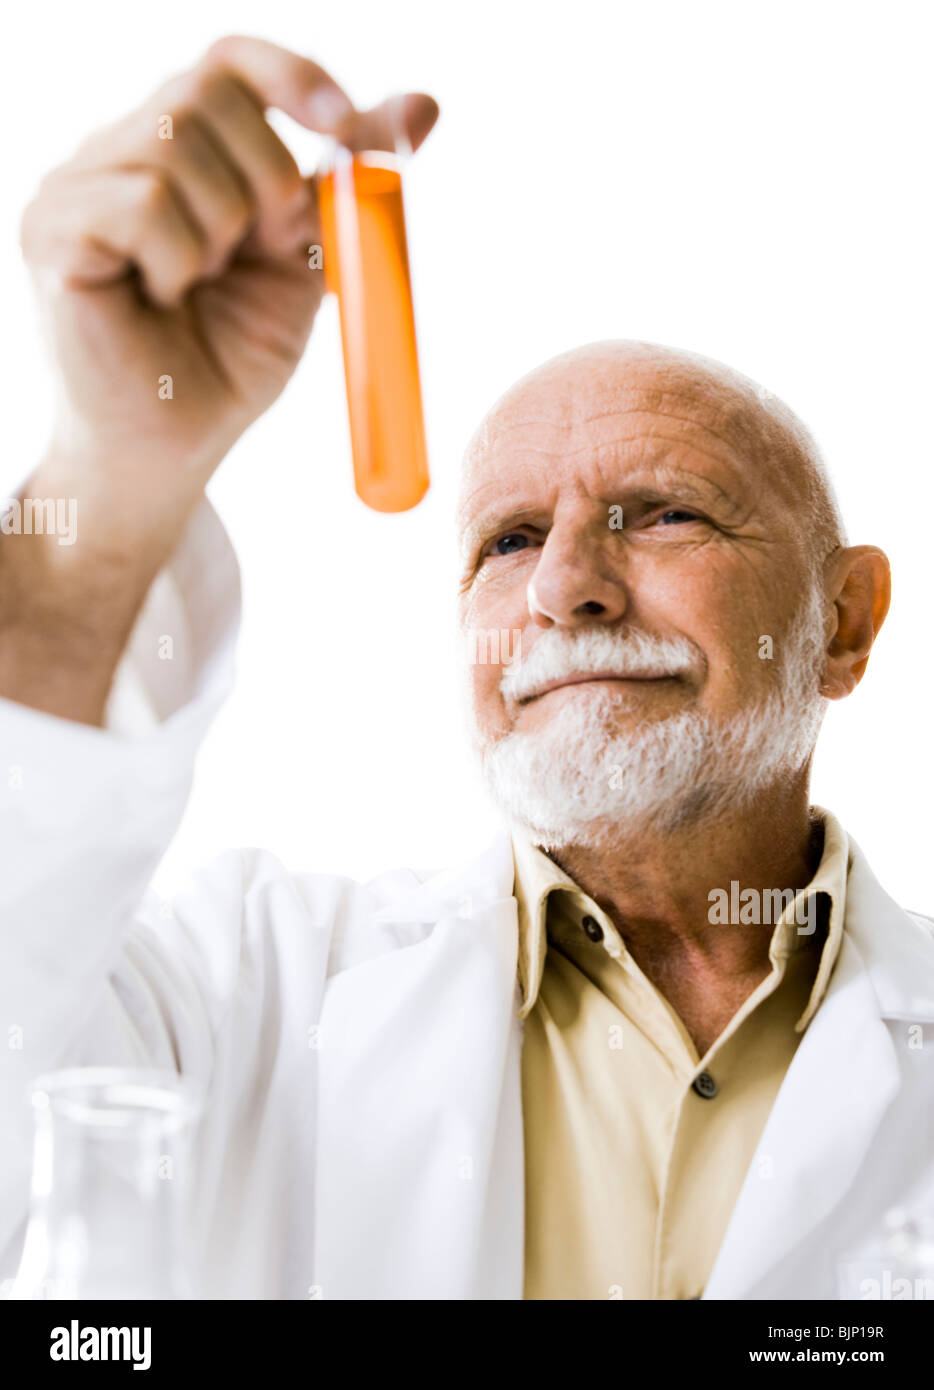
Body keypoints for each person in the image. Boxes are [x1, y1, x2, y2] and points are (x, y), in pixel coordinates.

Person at [1, 35, 931, 1302]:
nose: (565, 588)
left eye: (661, 513)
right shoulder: (242, 993)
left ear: (842, 623)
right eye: (505, 539)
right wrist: (108, 478)